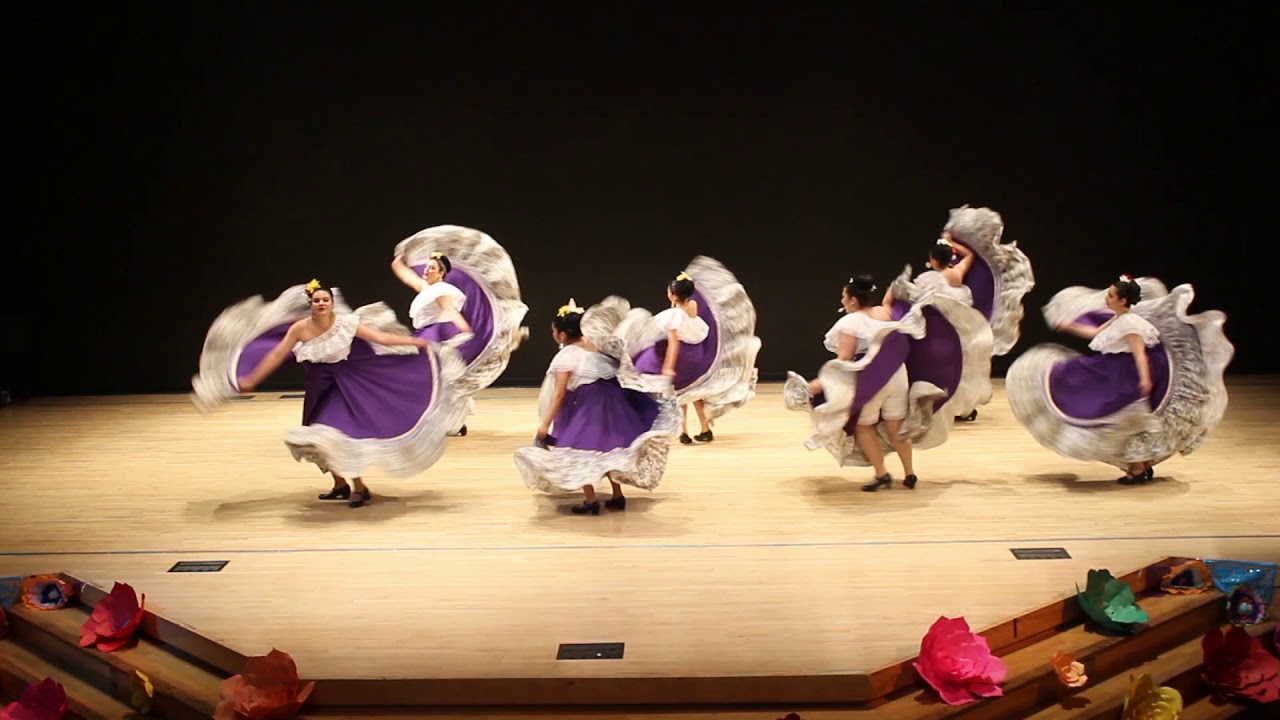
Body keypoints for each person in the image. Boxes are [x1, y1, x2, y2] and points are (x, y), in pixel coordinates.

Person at [191, 280, 468, 508]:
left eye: (325, 300)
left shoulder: (345, 323)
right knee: (317, 435)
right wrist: (252, 378)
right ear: (311, 304)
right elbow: (277, 353)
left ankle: (359, 487)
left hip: (345, 383)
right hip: (319, 383)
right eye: (317, 301)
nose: (322, 304)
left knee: (335, 434)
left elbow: (380, 339)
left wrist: (415, 342)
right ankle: (339, 484)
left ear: (331, 303)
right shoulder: (300, 328)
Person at [1006, 274, 1234, 485]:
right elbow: (1096, 333)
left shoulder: (1130, 323)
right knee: (1121, 420)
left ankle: (1137, 468)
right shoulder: (1120, 319)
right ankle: (1141, 465)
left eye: (1112, 296)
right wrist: (1070, 326)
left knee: (1122, 420)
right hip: (1112, 370)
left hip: (1124, 376)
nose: (1107, 299)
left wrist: (1145, 381)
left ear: (1124, 301)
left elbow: (1139, 353)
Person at [514, 299, 679, 514]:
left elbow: (560, 393)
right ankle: (617, 495)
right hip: (616, 405)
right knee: (609, 449)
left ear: (561, 335)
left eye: (554, 331)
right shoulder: (598, 347)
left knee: (580, 450)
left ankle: (591, 500)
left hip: (593, 407)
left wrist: (545, 424)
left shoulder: (566, 355)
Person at [392, 226, 530, 437]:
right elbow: (406, 276)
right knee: (438, 381)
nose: (426, 270)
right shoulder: (426, 288)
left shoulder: (441, 290)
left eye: (431, 268)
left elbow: (448, 308)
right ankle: (450, 422)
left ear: (441, 273)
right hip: (427, 334)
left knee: (430, 379)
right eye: (426, 267)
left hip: (436, 336)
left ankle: (443, 422)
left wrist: (463, 327)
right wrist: (400, 259)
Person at [621, 257, 761, 444]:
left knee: (680, 393)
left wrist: (668, 367)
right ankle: (704, 429)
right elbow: (683, 312)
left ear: (671, 294)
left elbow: (673, 342)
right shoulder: (692, 306)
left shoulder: (672, 316)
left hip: (682, 357)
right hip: (696, 356)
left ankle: (683, 431)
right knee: (694, 391)